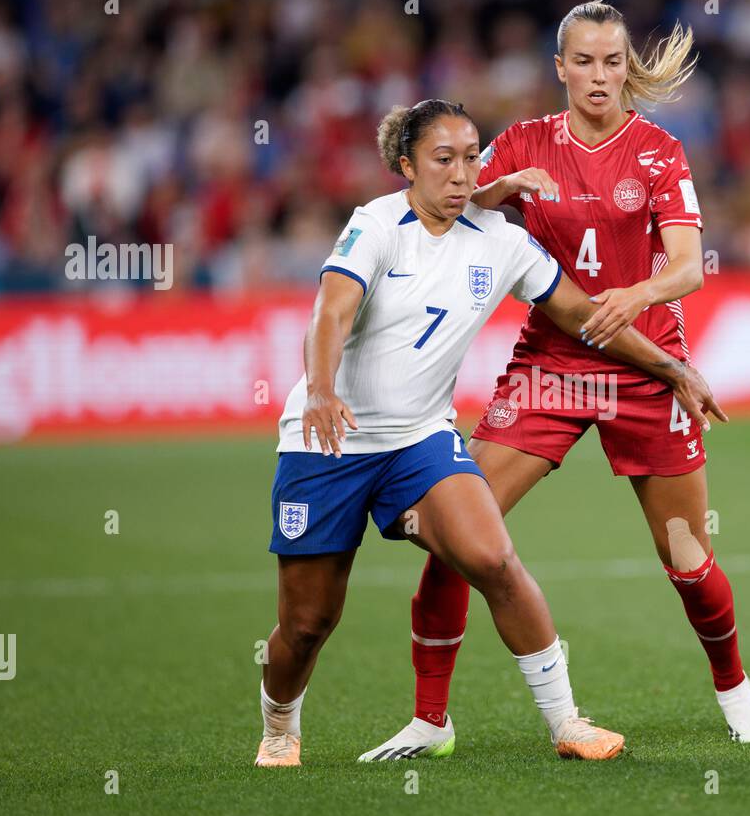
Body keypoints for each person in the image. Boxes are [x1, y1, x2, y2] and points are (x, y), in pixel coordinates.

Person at [256, 97, 726, 767]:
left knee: (493, 558)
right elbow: (330, 314)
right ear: (405, 166)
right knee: (308, 625)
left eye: (470, 157)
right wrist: (323, 390)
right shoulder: (376, 225)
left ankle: (567, 723)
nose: (459, 173)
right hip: (328, 442)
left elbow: (582, 316)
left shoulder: (502, 242)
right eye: (442, 159)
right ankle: (279, 727)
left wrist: (673, 367)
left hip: (418, 442)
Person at [360, 1, 750, 763]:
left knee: (686, 558)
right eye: (583, 61)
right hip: (552, 370)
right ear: (561, 68)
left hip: (648, 371)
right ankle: (430, 720)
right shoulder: (521, 144)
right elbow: (450, 207)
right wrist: (495, 189)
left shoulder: (656, 153)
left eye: (612, 62)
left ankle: (735, 689)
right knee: (455, 536)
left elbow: (686, 265)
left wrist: (639, 295)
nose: (599, 76)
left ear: (625, 68)